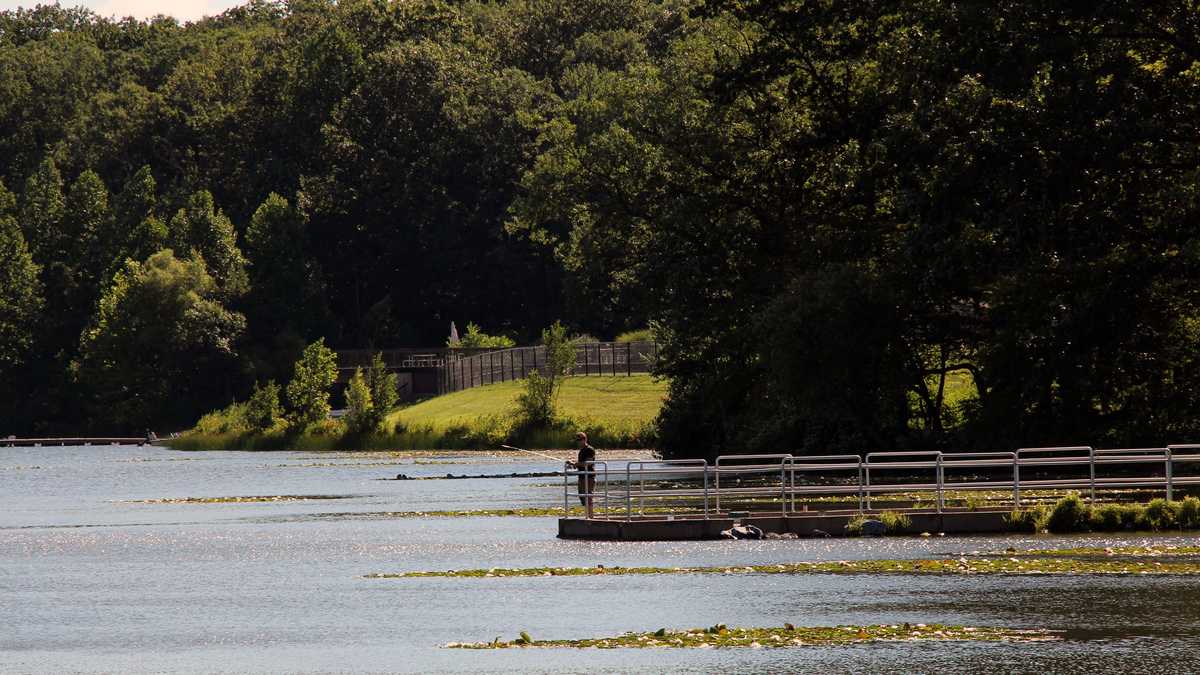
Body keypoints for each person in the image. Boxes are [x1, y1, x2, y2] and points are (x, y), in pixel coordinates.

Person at [568, 431, 596, 518]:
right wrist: (572, 464)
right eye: (578, 440)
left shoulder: (590, 449)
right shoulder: (581, 451)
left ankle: (591, 517)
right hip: (581, 477)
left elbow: (588, 463)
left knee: (588, 497)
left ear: (585, 439)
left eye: (580, 440)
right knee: (582, 496)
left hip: (589, 477)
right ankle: (587, 515)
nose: (579, 442)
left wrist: (576, 464)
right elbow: (581, 465)